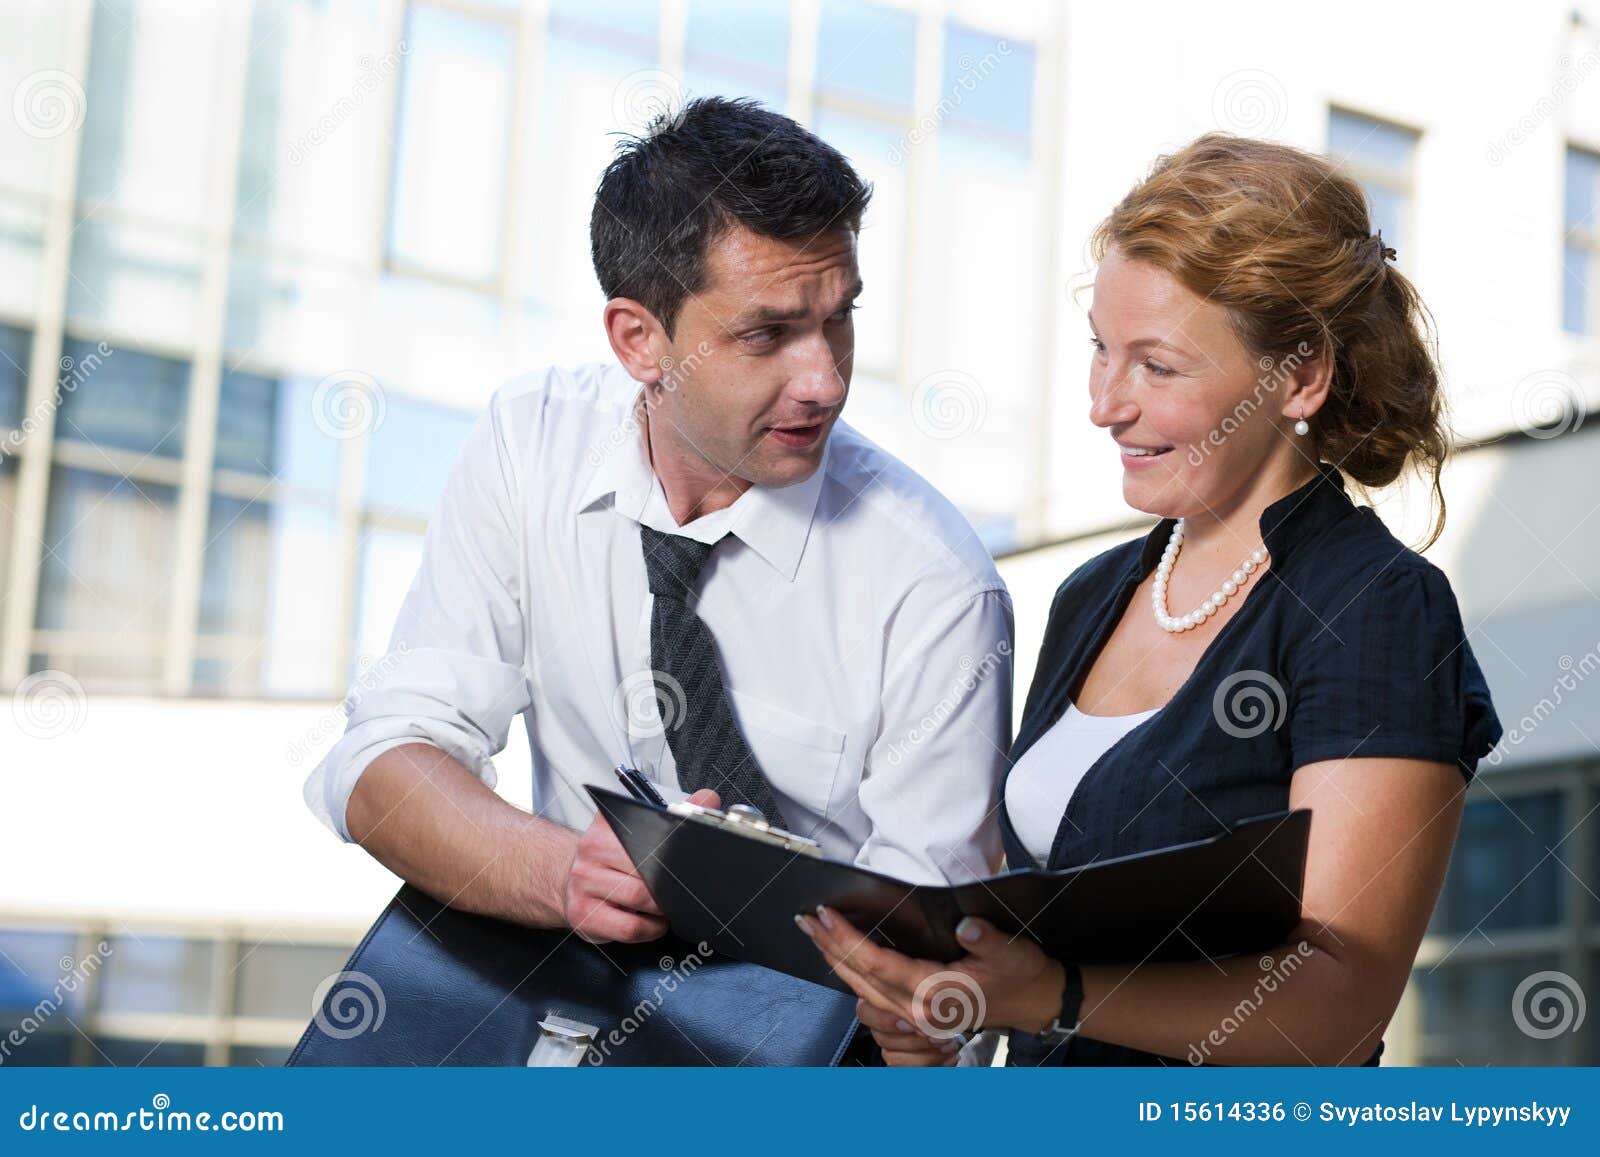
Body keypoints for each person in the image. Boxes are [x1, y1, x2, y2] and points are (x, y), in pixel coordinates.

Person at [801, 133, 1503, 1067]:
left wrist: (1051, 993)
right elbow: (1027, 938)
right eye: (1102, 350)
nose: (1106, 404)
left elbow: (1341, 1008)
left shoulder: (1375, 608)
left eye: (1158, 367)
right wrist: (944, 1010)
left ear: (1299, 378)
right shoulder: (1094, 595)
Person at [303, 98, 1012, 1019]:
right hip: (564, 1027)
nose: (826, 379)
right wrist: (566, 873)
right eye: (767, 334)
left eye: (840, 318)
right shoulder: (531, 442)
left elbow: (933, 971)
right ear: (639, 340)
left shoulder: (938, 586)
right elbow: (384, 762)